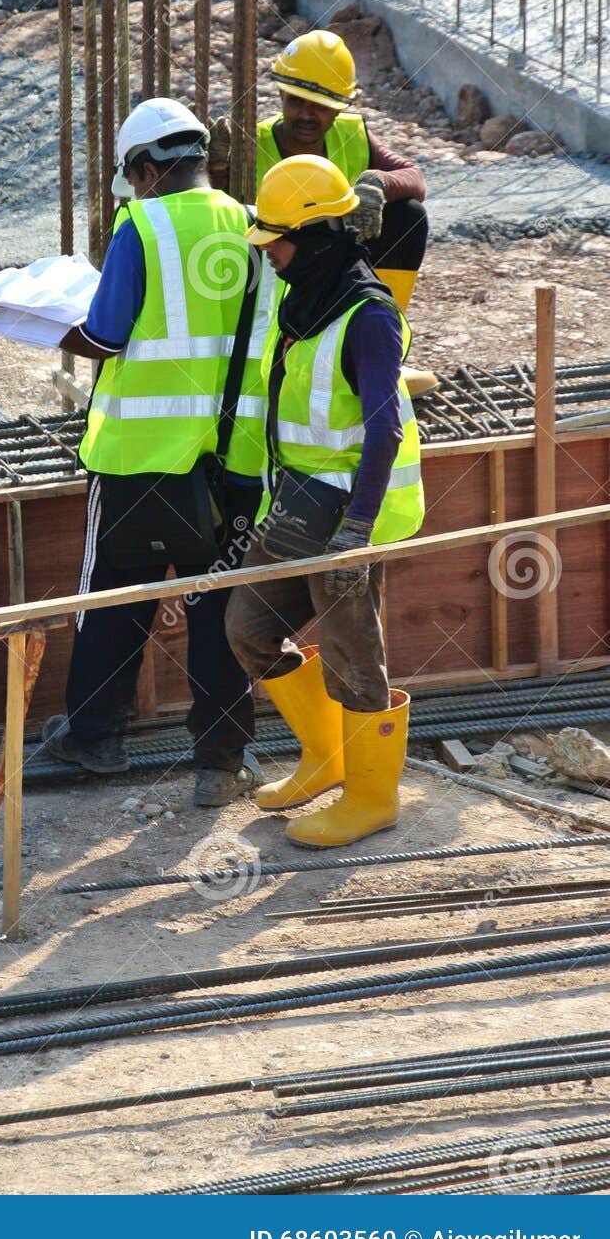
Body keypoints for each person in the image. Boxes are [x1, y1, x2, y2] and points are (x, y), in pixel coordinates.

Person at [43, 97, 276, 807]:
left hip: (138, 458)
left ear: (145, 169)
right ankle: (220, 762)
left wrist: (53, 330)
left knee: (114, 599)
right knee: (218, 608)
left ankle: (94, 737)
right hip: (230, 461)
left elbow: (108, 335)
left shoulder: (140, 224)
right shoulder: (250, 224)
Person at [225, 155, 425, 847]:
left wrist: (357, 531)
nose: (270, 254)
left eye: (277, 240)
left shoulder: (366, 316)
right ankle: (326, 758)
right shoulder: (301, 297)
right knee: (248, 628)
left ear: (312, 238)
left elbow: (383, 428)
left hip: (349, 512)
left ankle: (372, 797)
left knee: (351, 657)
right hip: (296, 501)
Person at [258, 28, 436, 395]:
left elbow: (414, 178)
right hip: (273, 274)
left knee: (408, 215)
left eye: (321, 106)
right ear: (280, 94)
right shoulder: (253, 143)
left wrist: (377, 183)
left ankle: (377, 347)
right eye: (296, 101)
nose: (307, 115)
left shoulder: (352, 136)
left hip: (334, 277)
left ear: (339, 106)